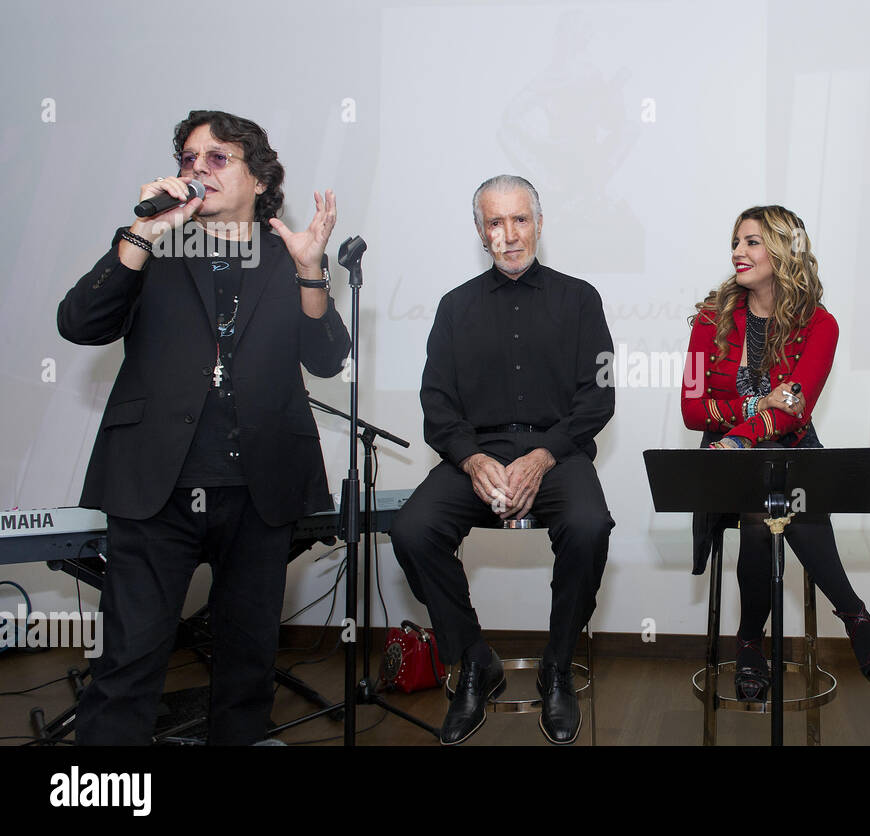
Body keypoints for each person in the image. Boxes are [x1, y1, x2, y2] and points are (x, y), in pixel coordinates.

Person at [57, 110, 350, 745]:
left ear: (259, 177)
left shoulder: (289, 256)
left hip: (259, 484)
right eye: (190, 158)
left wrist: (311, 272)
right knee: (129, 660)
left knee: (247, 663)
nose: (197, 169)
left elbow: (328, 358)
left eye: (218, 158)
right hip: (154, 481)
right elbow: (79, 324)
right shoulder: (151, 247)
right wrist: (140, 233)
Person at [389, 175, 615, 745]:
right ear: (479, 231)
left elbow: (599, 396)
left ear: (539, 223)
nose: (509, 234)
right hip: (477, 455)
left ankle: (557, 666)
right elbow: (436, 404)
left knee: (589, 526)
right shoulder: (453, 306)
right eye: (495, 222)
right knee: (412, 528)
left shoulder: (580, 298)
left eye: (519, 220)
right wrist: (470, 460)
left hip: (556, 453)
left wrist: (542, 456)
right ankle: (474, 660)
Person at [681, 205, 870, 700]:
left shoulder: (821, 325)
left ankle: (749, 645)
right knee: (764, 513)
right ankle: (857, 622)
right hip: (726, 462)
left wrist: (742, 429)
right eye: (736, 242)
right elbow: (693, 409)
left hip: (789, 451)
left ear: (785, 250)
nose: (738, 252)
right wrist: (757, 408)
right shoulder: (707, 319)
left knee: (780, 505)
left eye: (752, 242)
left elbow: (796, 411)